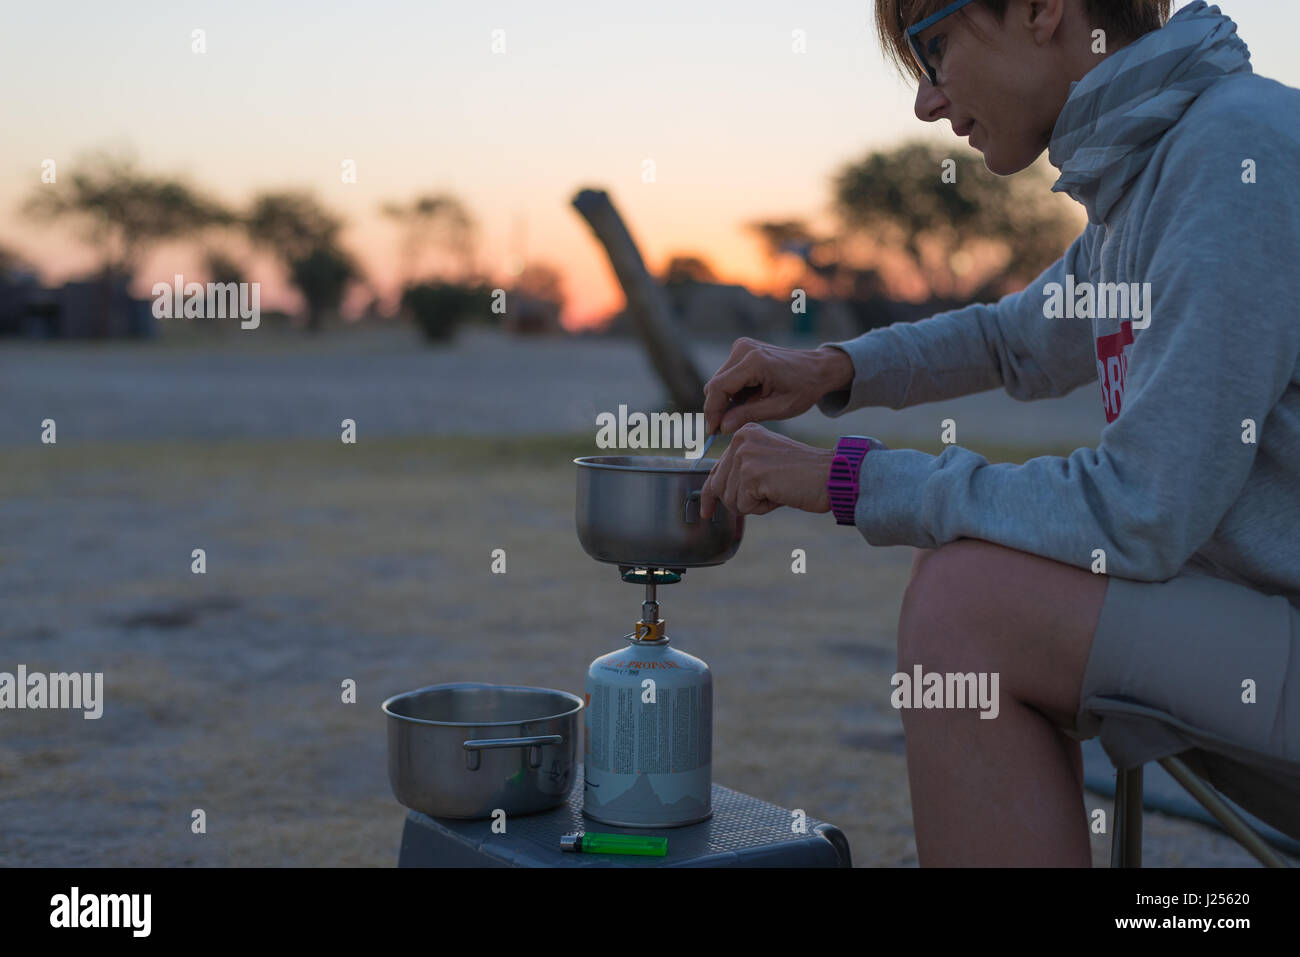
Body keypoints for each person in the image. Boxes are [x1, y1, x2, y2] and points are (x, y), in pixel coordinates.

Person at [697, 0, 1300, 866]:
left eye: (932, 49)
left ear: (1038, 8)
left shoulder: (1235, 155)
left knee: (967, 606)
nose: (926, 102)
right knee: (972, 579)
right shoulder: (1153, 171)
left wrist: (842, 479)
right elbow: (1013, 340)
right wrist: (831, 369)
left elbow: (1137, 511)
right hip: (1262, 636)